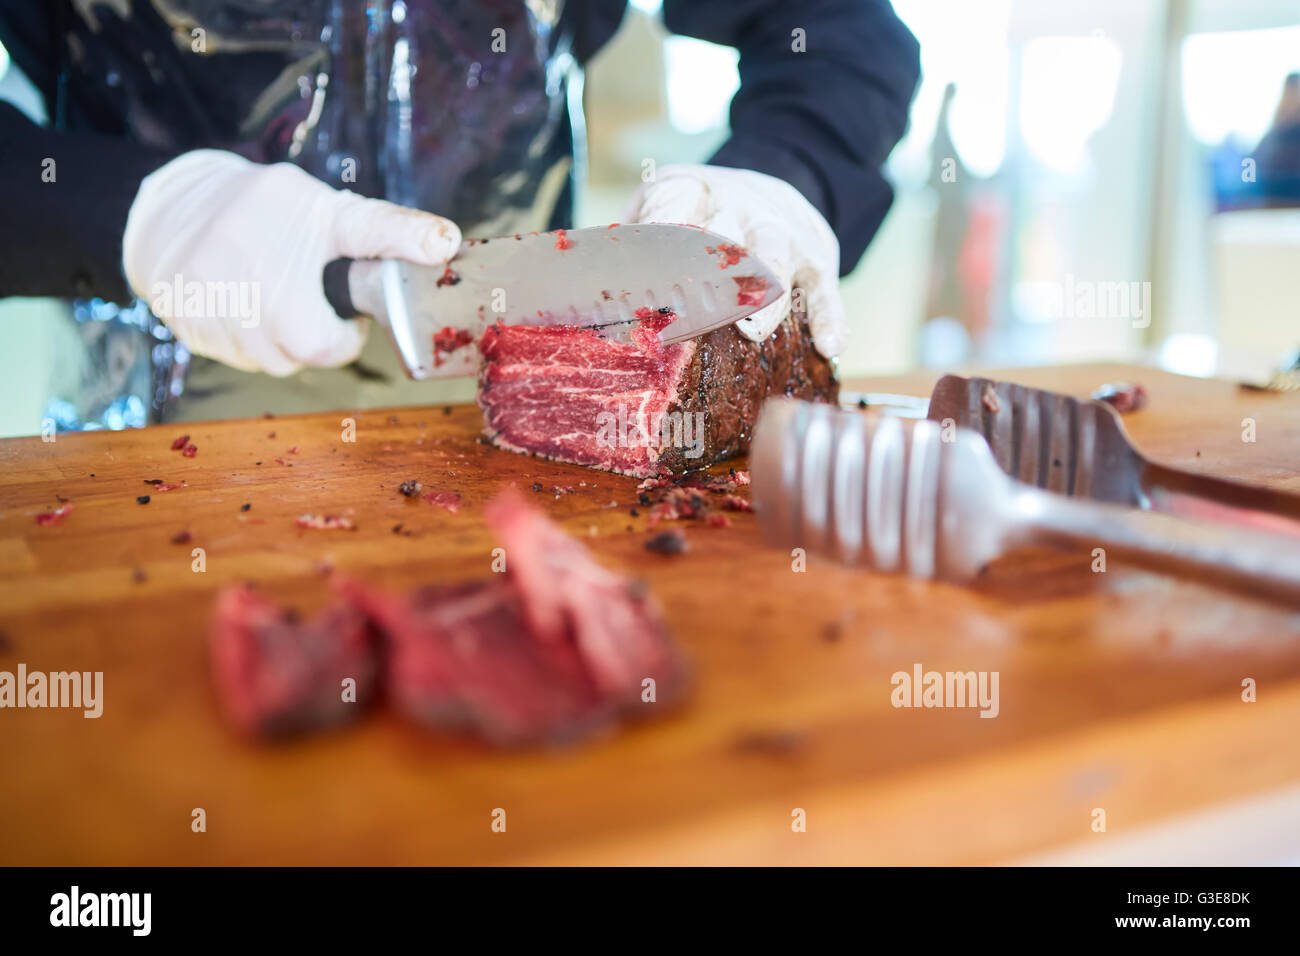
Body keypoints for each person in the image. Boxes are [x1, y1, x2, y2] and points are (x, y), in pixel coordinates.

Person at [0, 1, 920, 420]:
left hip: (532, 417)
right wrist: (142, 211)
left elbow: (836, 28)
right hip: (161, 443)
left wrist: (786, 169)